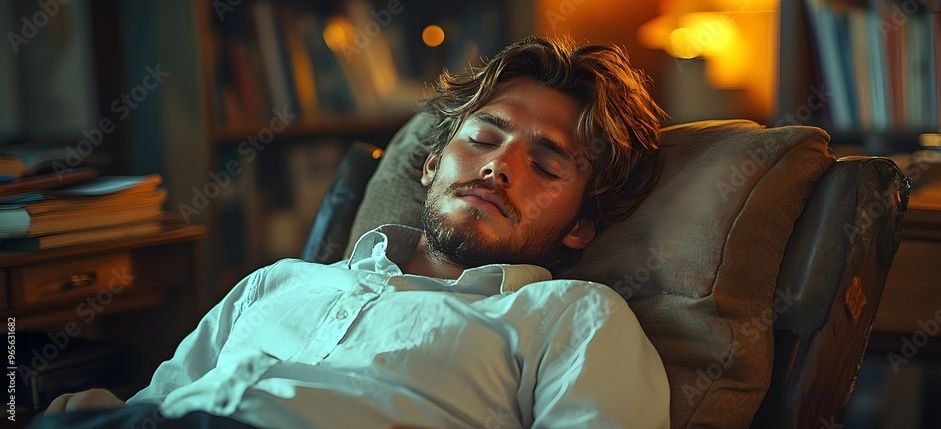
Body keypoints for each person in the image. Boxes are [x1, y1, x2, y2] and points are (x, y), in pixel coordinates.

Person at [34, 36, 671, 429]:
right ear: (431, 163)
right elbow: (158, 401)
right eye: (483, 137)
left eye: (546, 164)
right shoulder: (273, 284)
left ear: (582, 225)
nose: (499, 166)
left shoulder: (571, 316)